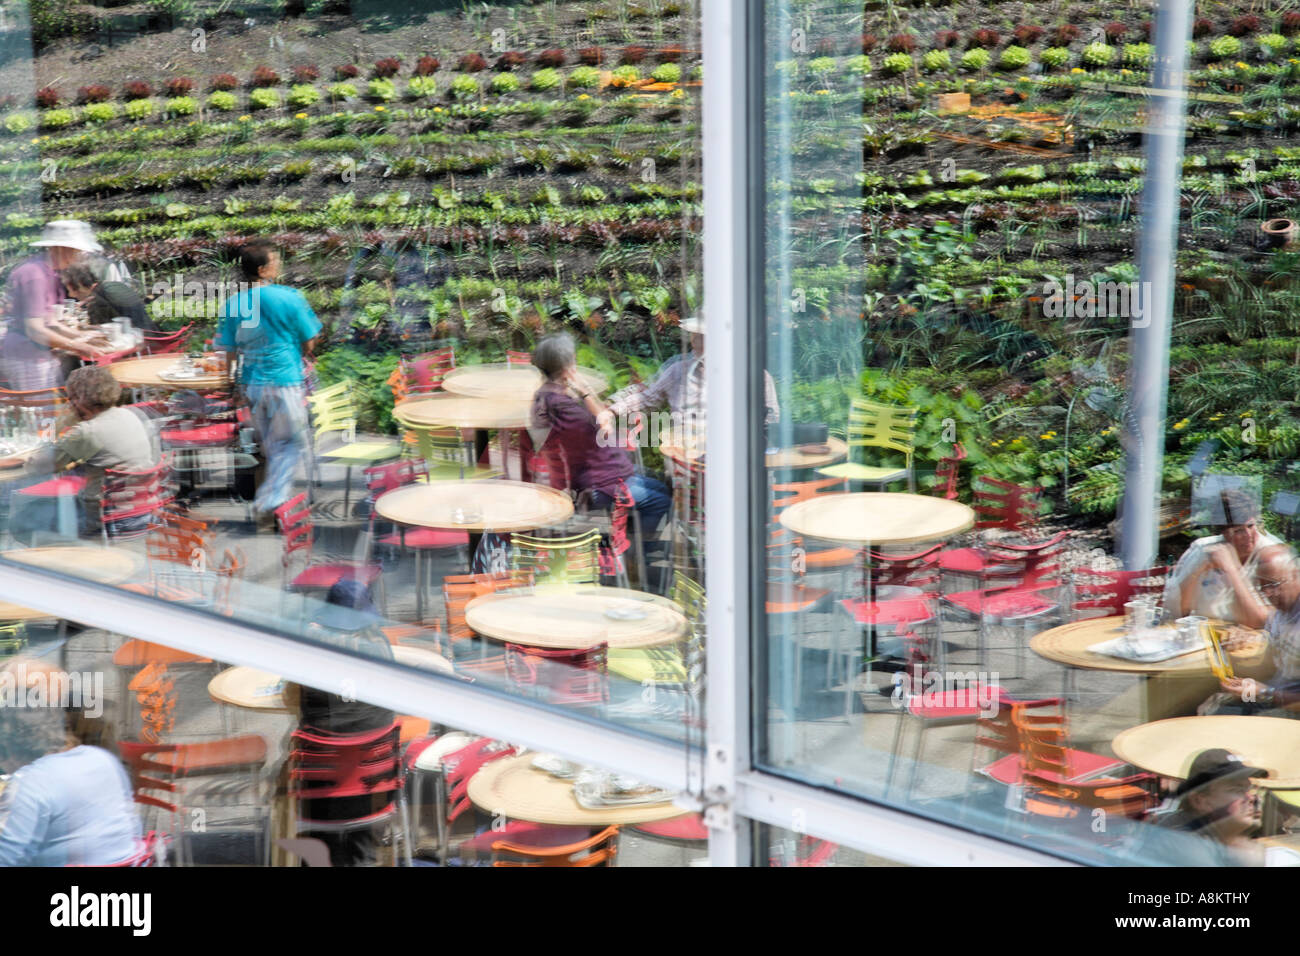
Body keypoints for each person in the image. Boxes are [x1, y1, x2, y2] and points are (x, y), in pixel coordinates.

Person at [282, 580, 395, 866]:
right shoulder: (380, 645)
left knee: (292, 756)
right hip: (374, 786)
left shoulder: (313, 651)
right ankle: (362, 855)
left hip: (323, 791)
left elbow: (290, 699)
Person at [531, 332, 672, 551]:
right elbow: (603, 424)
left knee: (662, 487)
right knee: (663, 502)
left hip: (594, 474)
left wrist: (584, 394)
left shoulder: (545, 396)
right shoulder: (565, 407)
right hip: (596, 484)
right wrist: (586, 392)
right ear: (569, 366)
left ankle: (623, 537)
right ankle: (636, 556)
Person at [214, 239, 321, 525]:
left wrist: (232, 386)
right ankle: (270, 501)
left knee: (272, 446)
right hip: (284, 380)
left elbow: (228, 352)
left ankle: (271, 510)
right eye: (275, 261)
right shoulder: (290, 297)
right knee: (292, 443)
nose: (279, 265)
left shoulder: (233, 303)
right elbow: (309, 342)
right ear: (262, 270)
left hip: (253, 386)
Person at [0, 658, 142, 866]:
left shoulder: (30, 784)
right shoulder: (102, 759)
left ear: (13, 745)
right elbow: (133, 828)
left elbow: (8, 858)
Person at [0, 365, 160, 541]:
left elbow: (38, 465)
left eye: (70, 397)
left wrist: (61, 423)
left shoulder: (87, 432)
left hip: (104, 518)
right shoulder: (130, 414)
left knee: (22, 519)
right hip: (140, 512)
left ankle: (53, 564)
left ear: (77, 400)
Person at [597, 315, 780, 447]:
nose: (694, 340)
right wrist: (611, 411)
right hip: (685, 455)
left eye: (702, 336)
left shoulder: (757, 376)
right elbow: (646, 397)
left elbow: (771, 421)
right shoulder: (678, 369)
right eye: (694, 335)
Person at [0, 221, 106, 391]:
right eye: (77, 251)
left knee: (53, 405)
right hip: (27, 356)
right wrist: (78, 345)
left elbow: (51, 322)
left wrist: (82, 335)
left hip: (39, 354)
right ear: (59, 248)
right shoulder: (35, 275)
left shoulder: (49, 272)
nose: (81, 256)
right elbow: (35, 330)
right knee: (42, 410)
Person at [1196, 543, 1300, 715]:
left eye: (1273, 584)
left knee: (1218, 718)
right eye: (1262, 586)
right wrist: (1248, 635)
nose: (1267, 594)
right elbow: (1263, 623)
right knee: (1210, 706)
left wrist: (1263, 693)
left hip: (1288, 712)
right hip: (1271, 696)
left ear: (1296, 574)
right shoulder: (1283, 610)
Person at [1161, 488, 1281, 624]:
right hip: (1205, 635)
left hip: (1251, 640)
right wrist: (1198, 569)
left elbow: (1264, 622)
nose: (1248, 536)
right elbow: (1179, 613)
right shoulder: (1203, 549)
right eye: (1238, 531)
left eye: (1251, 526)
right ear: (1224, 533)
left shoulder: (1271, 557)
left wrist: (1231, 569)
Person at [1143, 749, 1267, 866]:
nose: (1252, 798)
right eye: (1237, 789)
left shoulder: (1217, 837)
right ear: (1199, 801)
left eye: (1251, 789)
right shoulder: (1184, 845)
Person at [59, 263, 156, 332]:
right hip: (153, 333)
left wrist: (79, 326)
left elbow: (102, 332)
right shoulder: (113, 285)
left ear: (79, 285)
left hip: (136, 345)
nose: (71, 295)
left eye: (70, 290)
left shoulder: (97, 303)